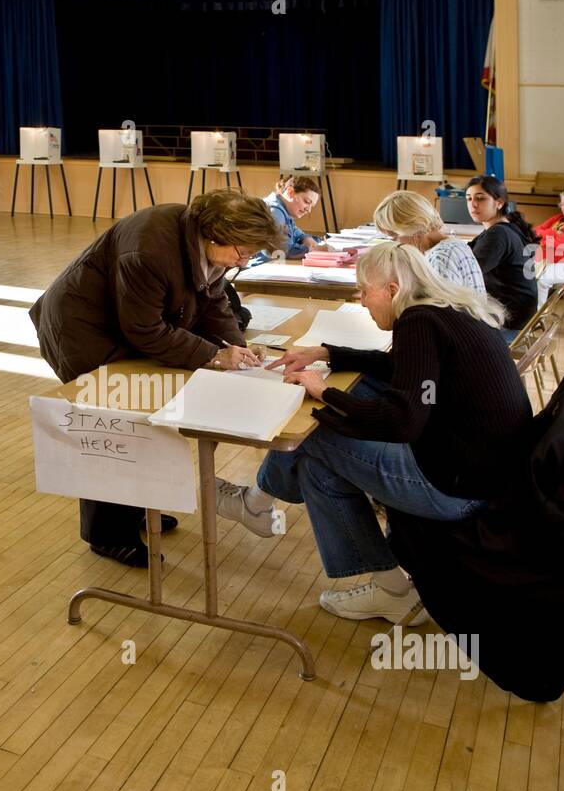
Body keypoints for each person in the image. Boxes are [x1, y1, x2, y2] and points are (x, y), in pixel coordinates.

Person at [215, 242, 532, 624]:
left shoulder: (418, 321)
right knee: (318, 468)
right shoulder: (445, 310)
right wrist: (326, 353)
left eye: (365, 291)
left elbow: (403, 421)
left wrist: (324, 391)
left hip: (456, 489)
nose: (361, 300)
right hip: (483, 475)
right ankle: (393, 590)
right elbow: (398, 367)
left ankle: (256, 503)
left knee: (311, 425)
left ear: (393, 290)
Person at [30, 190, 284, 567]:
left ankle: (137, 510)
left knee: (147, 421)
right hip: (82, 331)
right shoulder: (150, 250)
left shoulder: (203, 242)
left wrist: (236, 345)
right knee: (115, 423)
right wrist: (213, 354)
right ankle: (107, 533)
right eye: (242, 252)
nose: (243, 261)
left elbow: (213, 300)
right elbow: (145, 330)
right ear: (215, 236)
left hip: (120, 328)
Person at [465, 175, 539, 343]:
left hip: (510, 323)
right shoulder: (501, 228)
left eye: (480, 198)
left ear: (499, 202)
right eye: (468, 199)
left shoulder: (498, 234)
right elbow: (466, 253)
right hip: (517, 316)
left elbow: (467, 274)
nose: (473, 204)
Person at [372, 190, 488, 295]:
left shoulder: (441, 258)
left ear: (415, 227)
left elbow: (439, 314)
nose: (395, 244)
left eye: (395, 236)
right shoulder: (452, 244)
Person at [248, 175, 330, 265]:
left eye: (311, 206)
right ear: (290, 192)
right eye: (306, 202)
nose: (308, 210)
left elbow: (296, 233)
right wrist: (312, 249)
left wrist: (306, 238)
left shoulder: (284, 209)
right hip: (258, 269)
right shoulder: (275, 211)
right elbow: (279, 250)